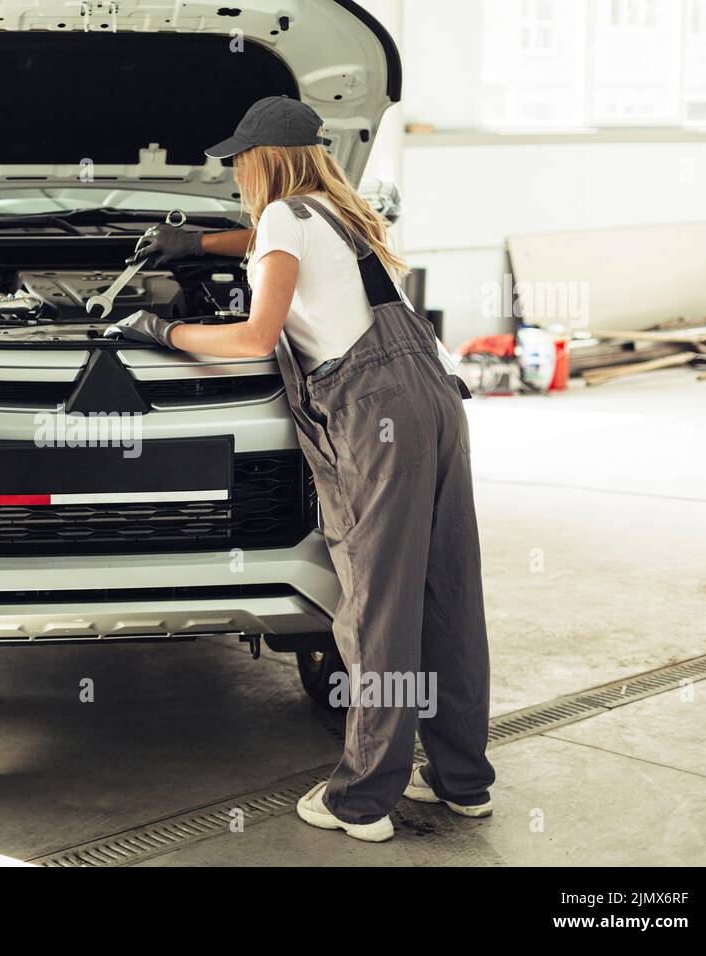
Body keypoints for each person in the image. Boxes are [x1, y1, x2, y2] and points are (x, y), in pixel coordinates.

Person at [106, 96, 495, 843]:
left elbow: (255, 339)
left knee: (377, 606)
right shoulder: (341, 212)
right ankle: (463, 781)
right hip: (435, 402)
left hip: (375, 413)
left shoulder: (285, 214)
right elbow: (274, 244)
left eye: (240, 160)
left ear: (265, 160)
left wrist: (163, 328)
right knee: (446, 593)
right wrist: (199, 246)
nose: (237, 172)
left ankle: (363, 800)